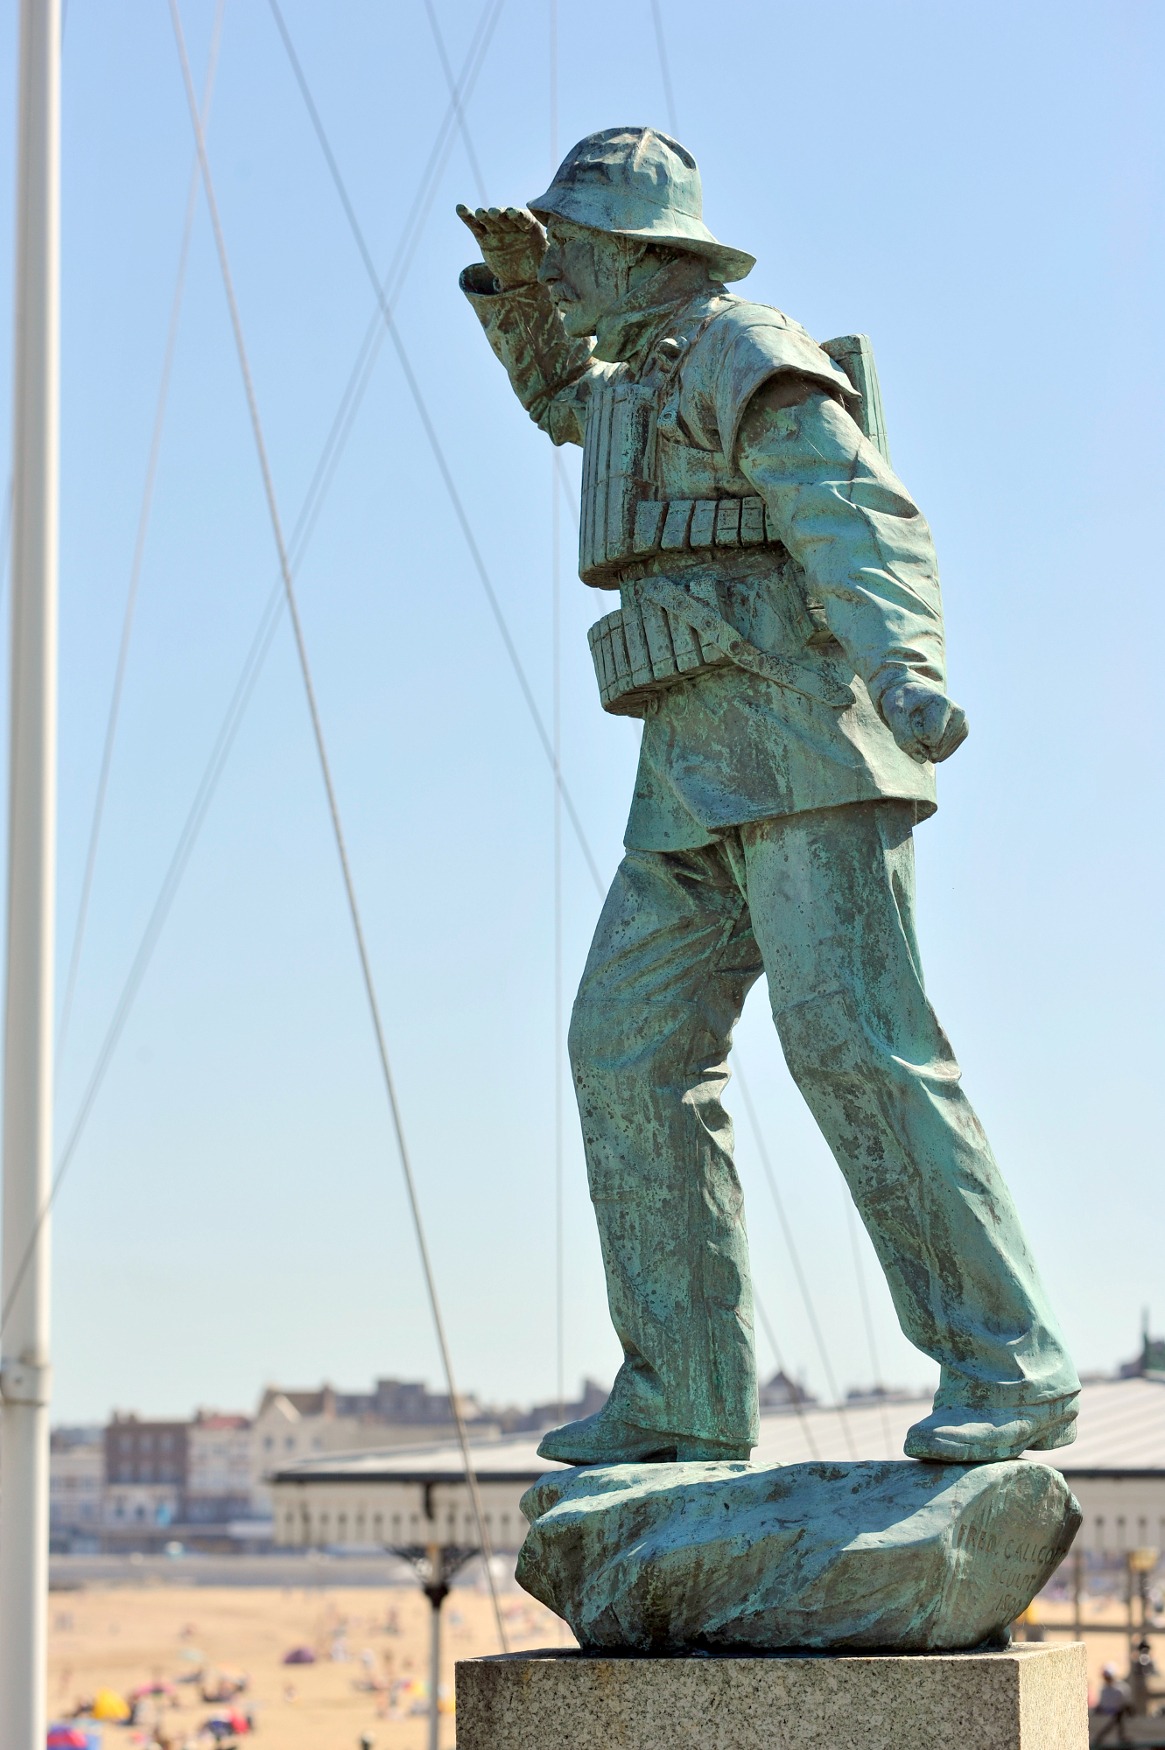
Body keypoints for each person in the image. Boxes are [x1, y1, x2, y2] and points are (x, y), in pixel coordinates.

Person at [458, 126, 1079, 1467]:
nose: (562, 267)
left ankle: (1004, 1362)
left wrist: (905, 665)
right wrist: (514, 295)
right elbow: (563, 397)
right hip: (684, 773)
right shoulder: (632, 372)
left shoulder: (744, 348)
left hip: (801, 744)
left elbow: (858, 512)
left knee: (854, 1045)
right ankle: (680, 1394)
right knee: (624, 1050)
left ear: (637, 251)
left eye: (572, 248)